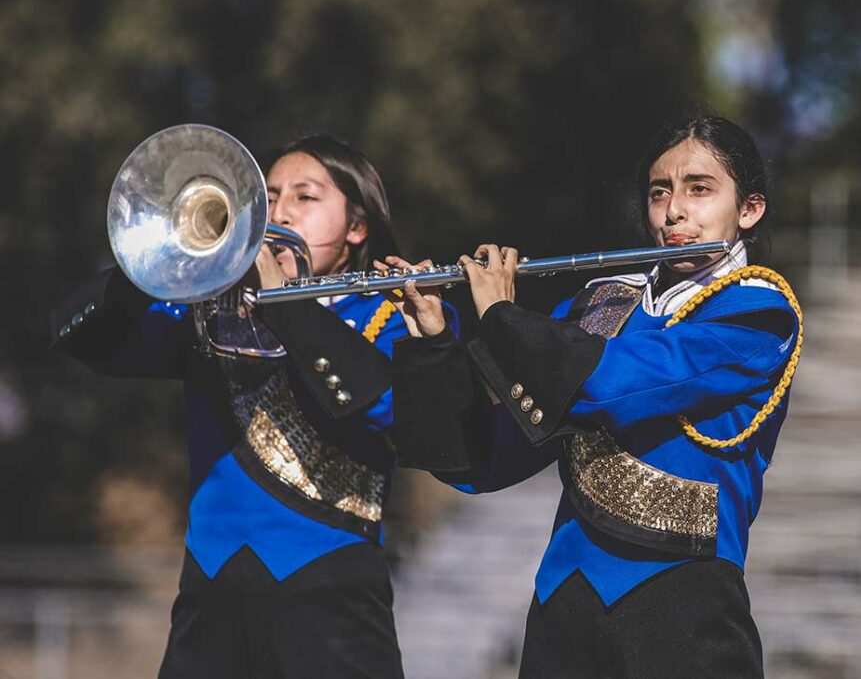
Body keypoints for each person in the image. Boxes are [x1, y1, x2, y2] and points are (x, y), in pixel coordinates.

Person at [389, 115, 802, 678]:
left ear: (748, 210)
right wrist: (437, 340)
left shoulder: (760, 313)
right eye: (660, 192)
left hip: (685, 604)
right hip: (565, 602)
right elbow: (485, 458)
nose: (674, 211)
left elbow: (612, 385)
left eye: (699, 189)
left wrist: (504, 318)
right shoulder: (602, 304)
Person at [50, 134, 417, 678]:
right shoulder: (209, 315)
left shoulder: (392, 312)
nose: (280, 211)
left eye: (305, 197)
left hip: (331, 597)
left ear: (357, 228)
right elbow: (85, 339)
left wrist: (287, 305)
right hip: (211, 591)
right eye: (269, 195)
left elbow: (387, 405)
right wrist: (152, 268)